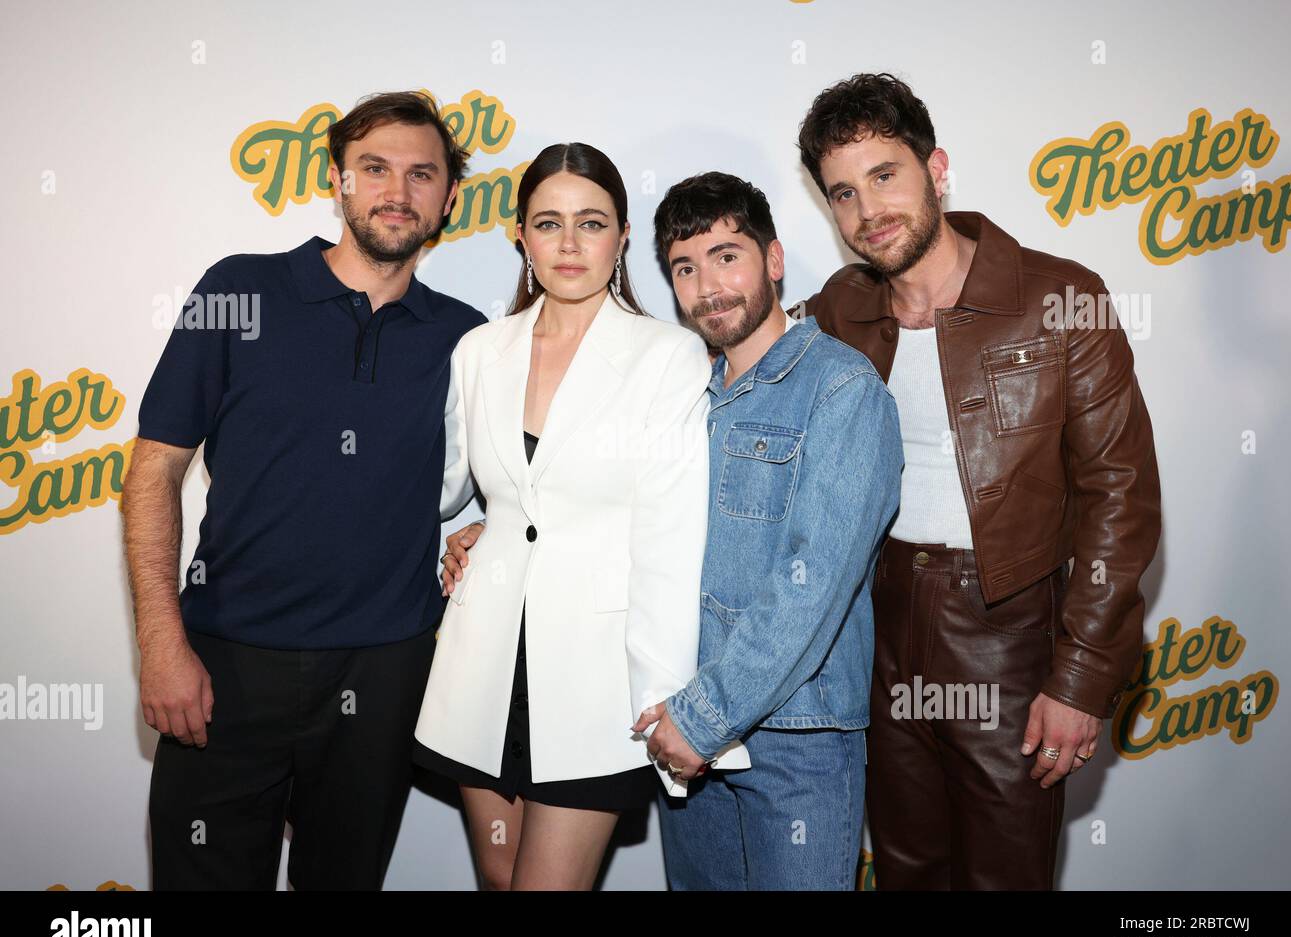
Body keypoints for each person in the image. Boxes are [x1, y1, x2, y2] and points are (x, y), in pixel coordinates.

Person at [791, 73, 1161, 889]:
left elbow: (1120, 500)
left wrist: (1081, 677)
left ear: (937, 168)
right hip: (876, 625)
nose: (868, 211)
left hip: (1007, 635)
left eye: (886, 175)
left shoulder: (1062, 298)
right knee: (908, 869)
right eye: (843, 193)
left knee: (1005, 875)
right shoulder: (836, 312)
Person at [123, 91, 486, 890]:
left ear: (448, 200)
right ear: (338, 180)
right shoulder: (238, 288)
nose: (399, 191)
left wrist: (488, 529)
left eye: (422, 174)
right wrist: (159, 640)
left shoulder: (468, 337)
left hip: (384, 676)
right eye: (375, 168)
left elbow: (529, 479)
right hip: (224, 665)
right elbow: (154, 470)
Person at [416, 143, 747, 892]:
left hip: (596, 682)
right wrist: (465, 534)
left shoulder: (668, 356)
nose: (569, 243)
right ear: (521, 237)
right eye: (549, 222)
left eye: (591, 222)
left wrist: (662, 694)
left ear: (623, 236)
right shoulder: (477, 350)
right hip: (481, 666)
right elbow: (444, 490)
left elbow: (670, 536)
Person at [630, 172, 902, 890]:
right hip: (684, 733)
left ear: (774, 260)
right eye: (684, 267)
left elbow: (812, 587)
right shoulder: (682, 393)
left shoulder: (843, 389)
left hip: (794, 740)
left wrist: (703, 717)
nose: (708, 285)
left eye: (727, 255)